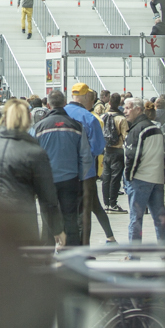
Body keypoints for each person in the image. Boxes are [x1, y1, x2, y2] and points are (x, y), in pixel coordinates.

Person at [0, 98, 65, 244]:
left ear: (4, 119)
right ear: (28, 119)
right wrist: (57, 228)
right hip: (23, 223)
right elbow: (47, 197)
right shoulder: (36, 153)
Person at [33, 90, 92, 246]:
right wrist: (80, 176)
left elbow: (32, 156)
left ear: (48, 105)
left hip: (46, 182)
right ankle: (72, 258)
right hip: (70, 180)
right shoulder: (76, 126)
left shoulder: (38, 127)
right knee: (70, 219)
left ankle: (45, 260)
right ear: (65, 103)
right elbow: (85, 156)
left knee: (47, 222)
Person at [65, 84, 117, 244]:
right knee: (88, 208)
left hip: (62, 171)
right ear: (87, 98)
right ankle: (86, 245)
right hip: (85, 172)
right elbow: (97, 147)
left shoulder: (60, 113)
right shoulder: (89, 118)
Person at [122, 97, 165, 243]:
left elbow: (132, 157)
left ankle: (133, 255)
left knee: (135, 219)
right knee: (160, 218)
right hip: (156, 179)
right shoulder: (156, 128)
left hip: (140, 179)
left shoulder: (137, 130)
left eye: (128, 108)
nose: (125, 111)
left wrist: (128, 177)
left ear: (138, 109)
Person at [101, 93, 128, 214]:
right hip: (118, 151)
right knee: (115, 178)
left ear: (109, 103)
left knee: (106, 177)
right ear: (120, 104)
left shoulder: (103, 117)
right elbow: (126, 137)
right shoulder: (121, 119)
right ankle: (113, 203)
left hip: (106, 151)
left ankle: (106, 203)